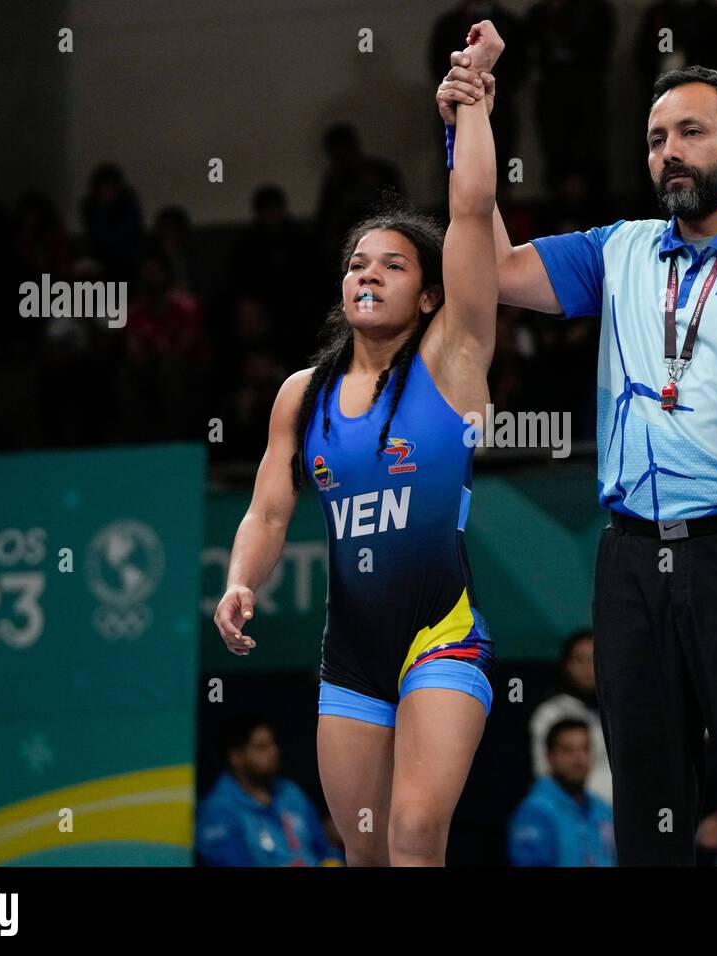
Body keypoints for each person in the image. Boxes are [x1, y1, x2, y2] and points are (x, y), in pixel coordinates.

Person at [438, 61, 717, 866]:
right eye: (656, 140)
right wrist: (468, 121)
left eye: (691, 132)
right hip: (630, 563)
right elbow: (492, 263)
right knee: (647, 804)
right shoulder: (619, 249)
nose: (670, 153)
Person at [213, 21, 505, 867]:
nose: (368, 274)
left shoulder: (453, 361)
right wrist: (238, 582)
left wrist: (473, 101)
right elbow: (270, 513)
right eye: (357, 265)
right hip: (351, 656)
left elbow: (472, 210)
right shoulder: (300, 398)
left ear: (427, 298)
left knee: (416, 834)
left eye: (393, 265)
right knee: (364, 850)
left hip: (442, 633)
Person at [196, 717, 340, 867]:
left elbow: (325, 849)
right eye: (261, 747)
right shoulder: (217, 810)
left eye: (273, 744)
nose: (274, 752)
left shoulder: (290, 793)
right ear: (237, 757)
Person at [509, 718, 616, 866]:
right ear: (549, 756)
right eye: (568, 750)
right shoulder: (536, 812)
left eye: (585, 748)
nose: (578, 759)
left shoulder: (603, 810)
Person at [528, 630, 612, 805]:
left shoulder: (616, 711)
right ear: (566, 664)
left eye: (594, 659)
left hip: (614, 815)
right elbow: (544, 772)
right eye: (579, 660)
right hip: (573, 813)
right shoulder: (551, 713)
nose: (588, 668)